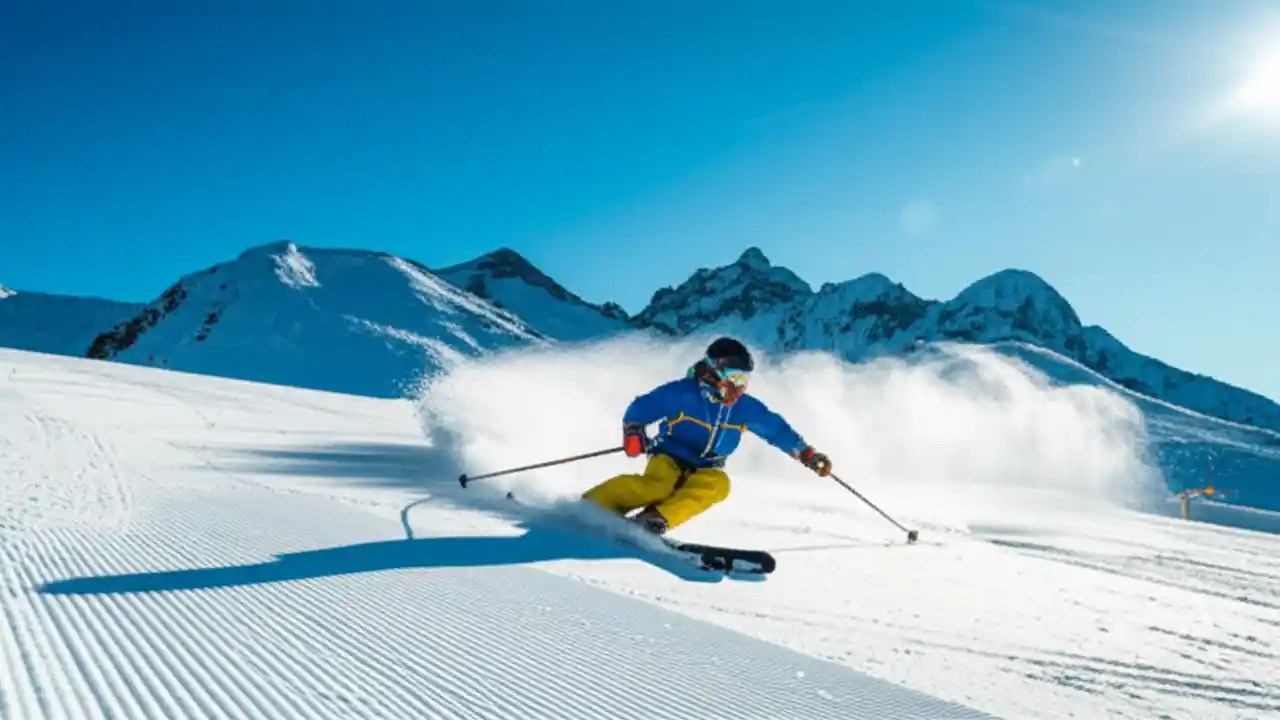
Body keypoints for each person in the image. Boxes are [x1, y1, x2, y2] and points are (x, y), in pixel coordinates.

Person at [582, 337, 832, 534]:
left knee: (719, 485)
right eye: (735, 377)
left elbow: (776, 430)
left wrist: (807, 454)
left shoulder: (745, 407)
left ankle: (655, 520)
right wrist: (634, 433)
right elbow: (640, 408)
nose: (740, 386)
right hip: (670, 455)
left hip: (707, 466)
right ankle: (593, 505)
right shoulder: (682, 393)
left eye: (744, 380)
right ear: (714, 371)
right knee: (658, 486)